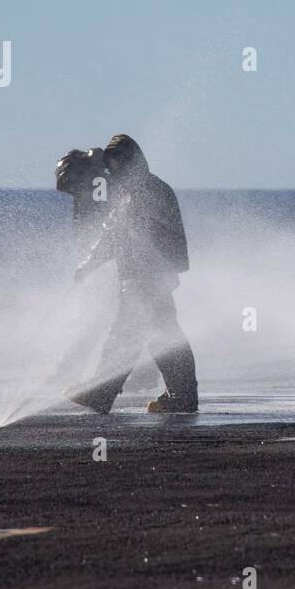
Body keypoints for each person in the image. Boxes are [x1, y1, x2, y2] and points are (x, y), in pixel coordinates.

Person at [67, 134, 199, 414]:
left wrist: (91, 263)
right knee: (161, 335)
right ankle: (182, 396)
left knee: (127, 334)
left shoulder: (146, 191)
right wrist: (90, 265)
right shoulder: (134, 190)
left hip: (147, 276)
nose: (114, 171)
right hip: (145, 275)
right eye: (112, 166)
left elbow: (118, 233)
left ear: (132, 162)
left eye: (118, 164)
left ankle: (102, 393)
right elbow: (115, 234)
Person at [55, 146, 111, 258]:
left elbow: (61, 185)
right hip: (103, 221)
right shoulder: (107, 175)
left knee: (87, 252)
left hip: (86, 221)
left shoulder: (82, 179)